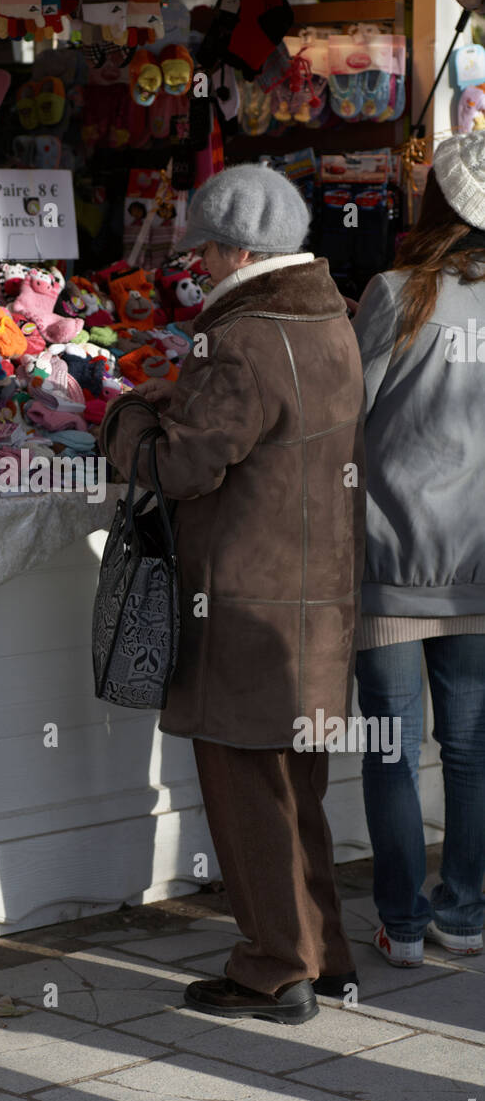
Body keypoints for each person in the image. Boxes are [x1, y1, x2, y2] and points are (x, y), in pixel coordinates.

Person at [100, 164, 366, 1025]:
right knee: (297, 791)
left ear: (241, 250)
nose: (200, 268)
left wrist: (127, 418)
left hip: (246, 602)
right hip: (316, 601)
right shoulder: (332, 317)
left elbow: (181, 467)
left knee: (246, 789)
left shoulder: (246, 340)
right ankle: (323, 956)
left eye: (207, 252)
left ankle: (271, 970)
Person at [353, 133, 485, 967]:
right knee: (471, 747)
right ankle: (465, 916)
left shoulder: (397, 295)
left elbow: (345, 412)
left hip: (392, 561)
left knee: (391, 747)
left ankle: (401, 925)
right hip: (480, 563)